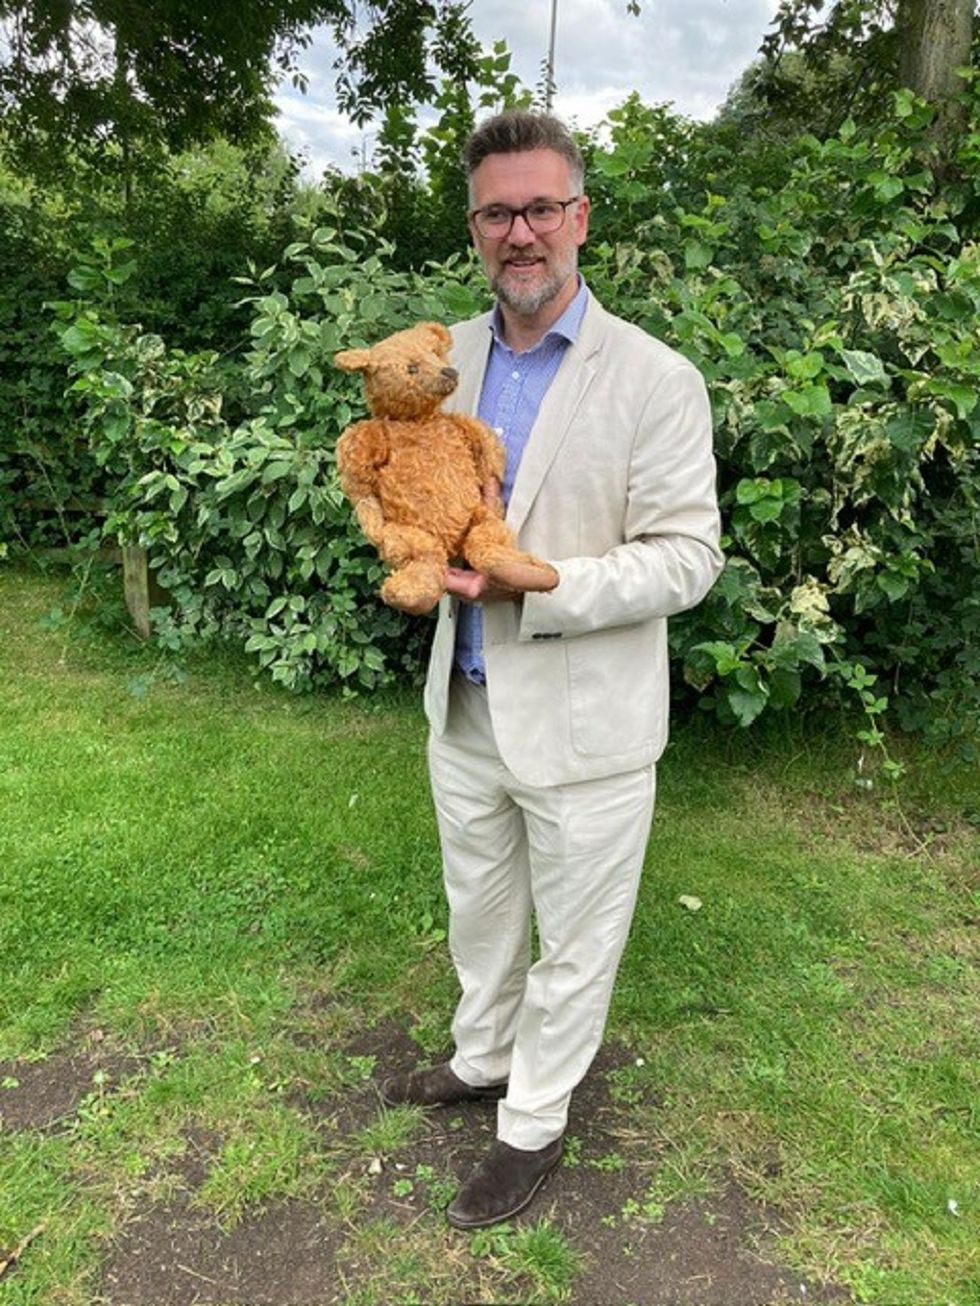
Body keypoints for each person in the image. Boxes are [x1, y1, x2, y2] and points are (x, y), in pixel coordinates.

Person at [380, 110, 723, 1230]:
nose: (518, 231)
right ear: (474, 228)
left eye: (538, 207)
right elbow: (409, 484)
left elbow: (687, 557)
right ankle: (480, 1057)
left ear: (578, 217)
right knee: (478, 911)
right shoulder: (447, 364)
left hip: (586, 721)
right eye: (495, 212)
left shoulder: (655, 378)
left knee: (574, 940)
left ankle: (530, 1121)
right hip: (465, 699)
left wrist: (545, 584)